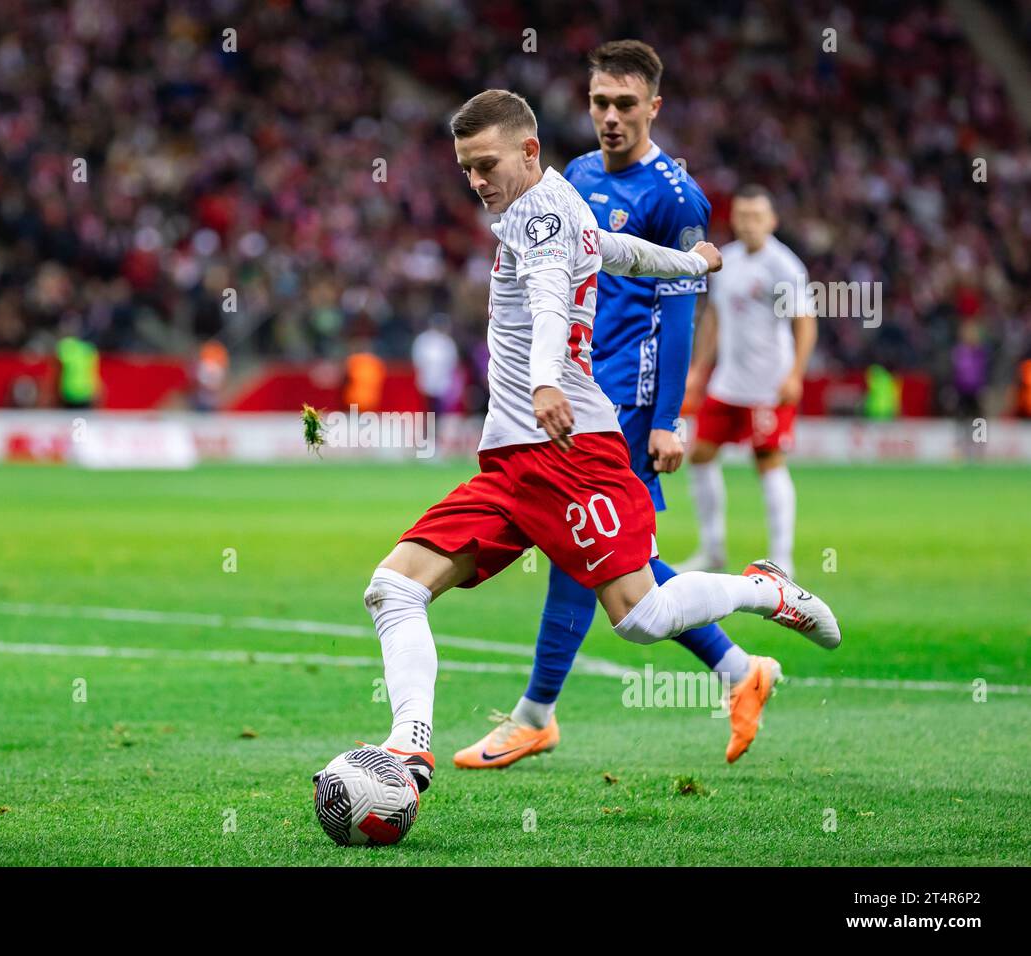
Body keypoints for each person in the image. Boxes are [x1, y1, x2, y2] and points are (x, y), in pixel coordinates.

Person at [345, 89, 840, 795]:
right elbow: (615, 252)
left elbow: (550, 301)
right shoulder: (552, 207)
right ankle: (409, 749)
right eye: (465, 169)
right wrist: (691, 264)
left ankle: (762, 589)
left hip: (572, 452)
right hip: (514, 464)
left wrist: (546, 380)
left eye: (486, 164)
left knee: (640, 619)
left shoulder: (543, 215)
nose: (477, 180)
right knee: (392, 588)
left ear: (529, 150)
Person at [453, 40, 779, 771]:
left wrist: (668, 416)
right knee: (620, 564)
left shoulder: (676, 194)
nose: (608, 116)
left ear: (653, 107)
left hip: (625, 398)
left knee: (585, 554)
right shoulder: (574, 179)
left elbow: (681, 305)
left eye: (625, 104)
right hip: (574, 388)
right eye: (599, 101)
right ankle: (738, 670)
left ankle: (535, 715)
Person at [679, 186, 816, 575]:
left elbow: (805, 323)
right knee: (701, 455)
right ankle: (712, 549)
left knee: (768, 460)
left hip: (768, 386)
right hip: (727, 383)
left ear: (771, 221)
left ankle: (782, 559)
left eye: (757, 216)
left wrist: (795, 375)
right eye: (742, 216)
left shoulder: (784, 266)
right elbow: (715, 319)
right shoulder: (728, 261)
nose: (749, 223)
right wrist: (700, 369)